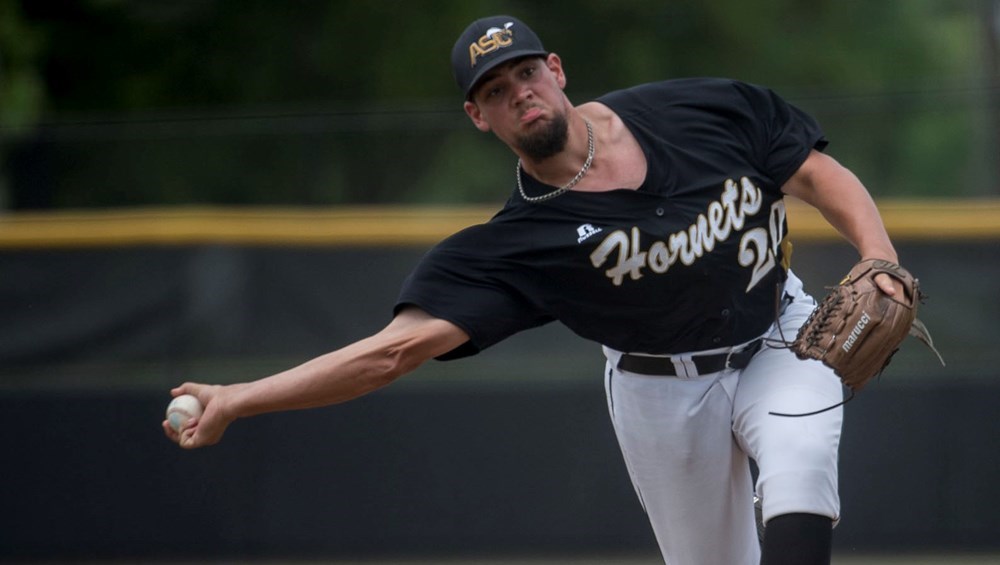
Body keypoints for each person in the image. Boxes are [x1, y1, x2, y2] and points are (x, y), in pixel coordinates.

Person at [164, 15, 906, 565]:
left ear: (555, 69)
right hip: (660, 393)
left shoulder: (698, 109)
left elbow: (810, 172)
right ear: (477, 116)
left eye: (525, 72)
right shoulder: (518, 245)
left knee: (801, 457)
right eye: (495, 89)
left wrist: (876, 253)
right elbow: (390, 354)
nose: (519, 92)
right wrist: (240, 396)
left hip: (780, 334)